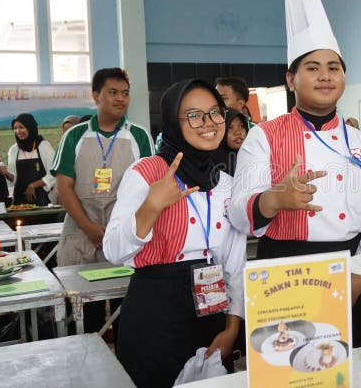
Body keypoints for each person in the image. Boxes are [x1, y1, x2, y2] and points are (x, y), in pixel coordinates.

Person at [229, 0, 361, 302]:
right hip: (283, 271)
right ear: (291, 80)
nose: (325, 76)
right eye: (313, 68)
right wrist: (274, 198)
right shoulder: (264, 136)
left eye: (334, 68)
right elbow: (237, 214)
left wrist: (357, 280)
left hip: (354, 266)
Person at [104, 79, 245, 388]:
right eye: (194, 115)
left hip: (212, 310)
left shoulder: (226, 184)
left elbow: (235, 265)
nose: (208, 123)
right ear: (172, 121)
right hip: (154, 313)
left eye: (215, 112)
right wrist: (151, 206)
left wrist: (232, 327)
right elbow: (112, 250)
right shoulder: (146, 172)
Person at [51, 67, 153, 333]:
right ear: (96, 96)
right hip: (81, 236)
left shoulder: (138, 136)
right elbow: (64, 188)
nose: (121, 99)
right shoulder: (75, 136)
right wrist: (88, 227)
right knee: (86, 319)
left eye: (125, 93)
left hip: (125, 239)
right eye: (113, 92)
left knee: (128, 317)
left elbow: (150, 188)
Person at [7, 113, 56, 206]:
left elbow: (54, 174)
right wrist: (6, 174)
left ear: (30, 127)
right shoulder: (14, 150)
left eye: (21, 127)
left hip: (43, 201)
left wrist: (33, 185)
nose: (18, 131)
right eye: (15, 128)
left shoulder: (44, 146)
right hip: (20, 203)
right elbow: (13, 179)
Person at [221, 107, 248, 176]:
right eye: (230, 127)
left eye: (242, 126)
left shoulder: (254, 155)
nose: (238, 132)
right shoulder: (212, 163)